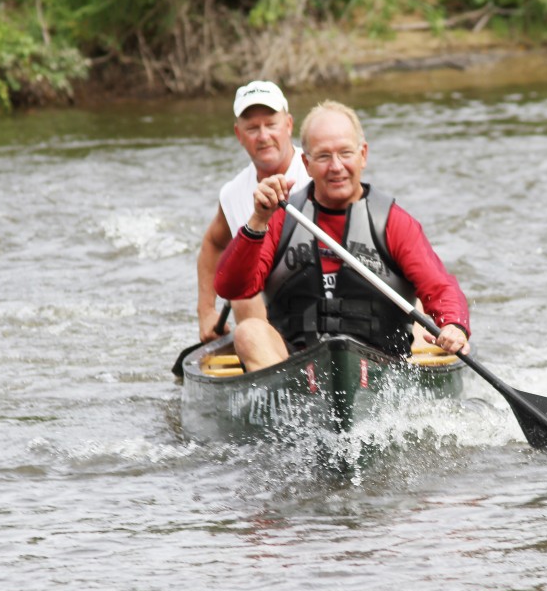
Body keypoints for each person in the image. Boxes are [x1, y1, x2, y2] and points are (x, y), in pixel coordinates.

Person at [214, 100, 471, 372]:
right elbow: (232, 288)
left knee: (421, 322)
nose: (336, 166)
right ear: (306, 163)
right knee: (248, 331)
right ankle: (285, 406)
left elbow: (440, 287)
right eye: (324, 156)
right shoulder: (279, 219)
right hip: (296, 372)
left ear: (363, 155)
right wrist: (257, 221)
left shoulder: (395, 223)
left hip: (380, 372)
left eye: (345, 153)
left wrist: (453, 324)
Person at [195, 80, 311, 342]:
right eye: (252, 128)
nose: (263, 136)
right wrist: (206, 311)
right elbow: (212, 244)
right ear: (239, 135)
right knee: (241, 296)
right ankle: (268, 360)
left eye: (271, 124)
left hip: (326, 297)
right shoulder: (232, 193)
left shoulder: (321, 170)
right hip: (266, 318)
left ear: (289, 125)